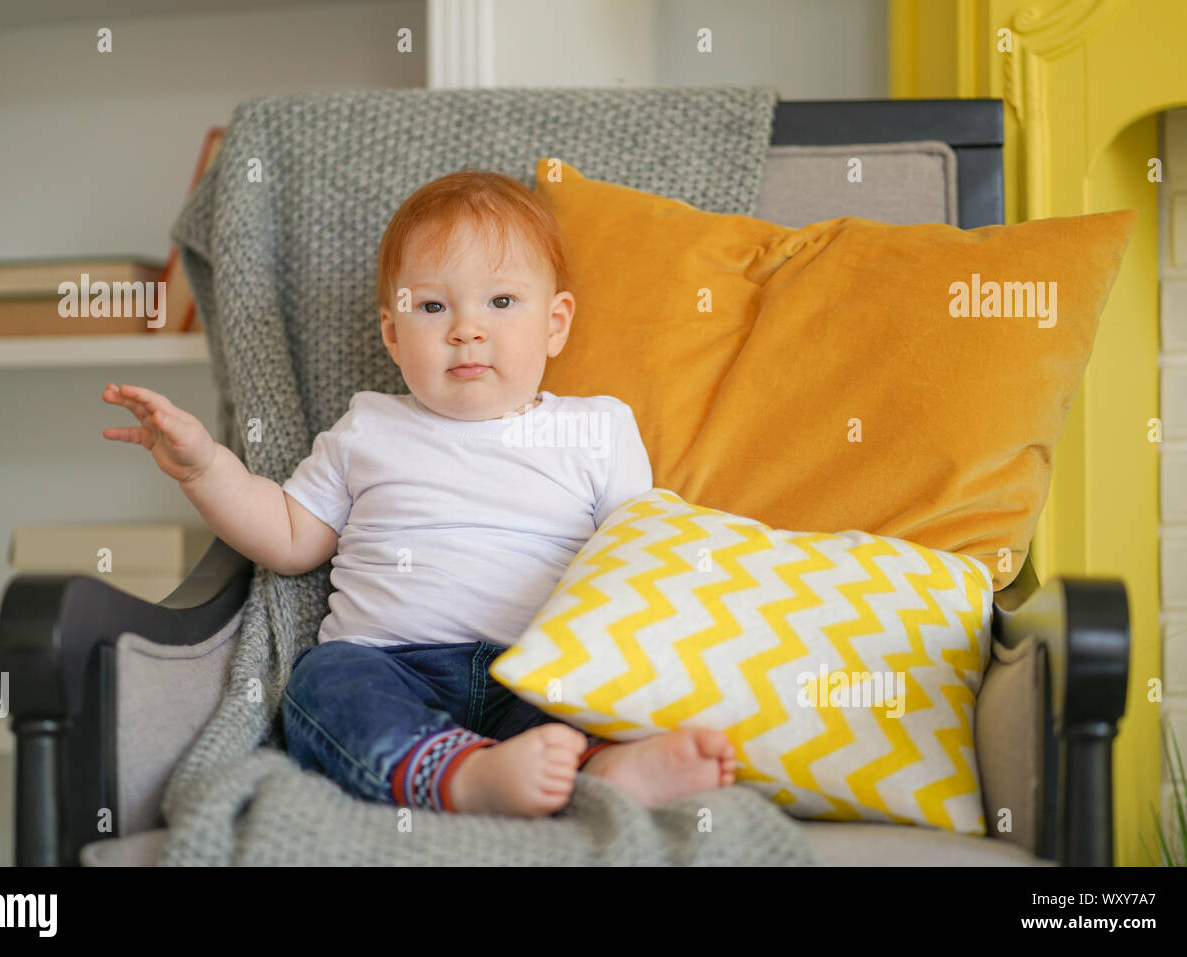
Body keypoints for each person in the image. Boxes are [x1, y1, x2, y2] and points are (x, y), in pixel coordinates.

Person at [102, 169, 736, 818]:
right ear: (392, 333)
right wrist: (204, 466)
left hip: (541, 667)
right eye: (433, 307)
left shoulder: (597, 428)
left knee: (609, 684)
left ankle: (606, 766)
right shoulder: (368, 427)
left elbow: (638, 555)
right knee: (318, 685)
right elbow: (289, 537)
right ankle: (460, 772)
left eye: (501, 302)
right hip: (390, 667)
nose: (466, 329)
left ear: (556, 323)